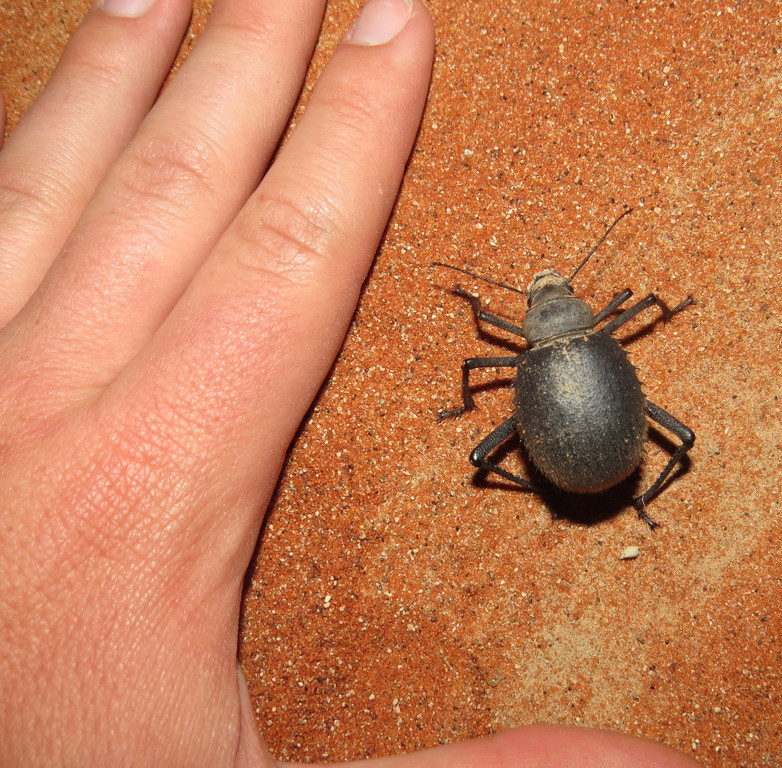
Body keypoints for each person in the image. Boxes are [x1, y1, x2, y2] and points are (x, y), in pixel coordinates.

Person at [0, 0, 703, 765]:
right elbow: (639, 304)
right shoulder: (602, 321)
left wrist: (471, 380)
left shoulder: (514, 356)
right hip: (612, 451)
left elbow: (476, 367)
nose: (546, 288)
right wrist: (662, 317)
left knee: (483, 454)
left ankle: (607, 490)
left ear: (538, 319)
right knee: (682, 440)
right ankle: (643, 497)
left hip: (568, 451)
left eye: (545, 294)